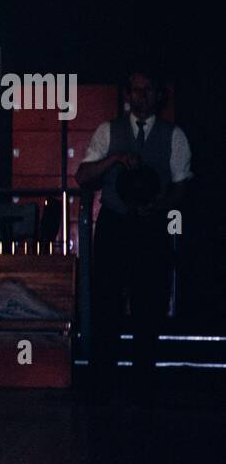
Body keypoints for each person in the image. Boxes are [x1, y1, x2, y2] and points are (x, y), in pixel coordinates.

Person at [75, 69, 192, 399]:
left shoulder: (174, 135)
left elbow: (182, 185)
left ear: (158, 95)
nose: (140, 96)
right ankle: (102, 384)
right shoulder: (107, 131)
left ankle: (144, 385)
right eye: (135, 90)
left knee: (149, 303)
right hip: (115, 224)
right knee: (106, 303)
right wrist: (112, 160)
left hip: (151, 227)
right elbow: (83, 176)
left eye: (147, 90)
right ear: (127, 95)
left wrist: (158, 204)